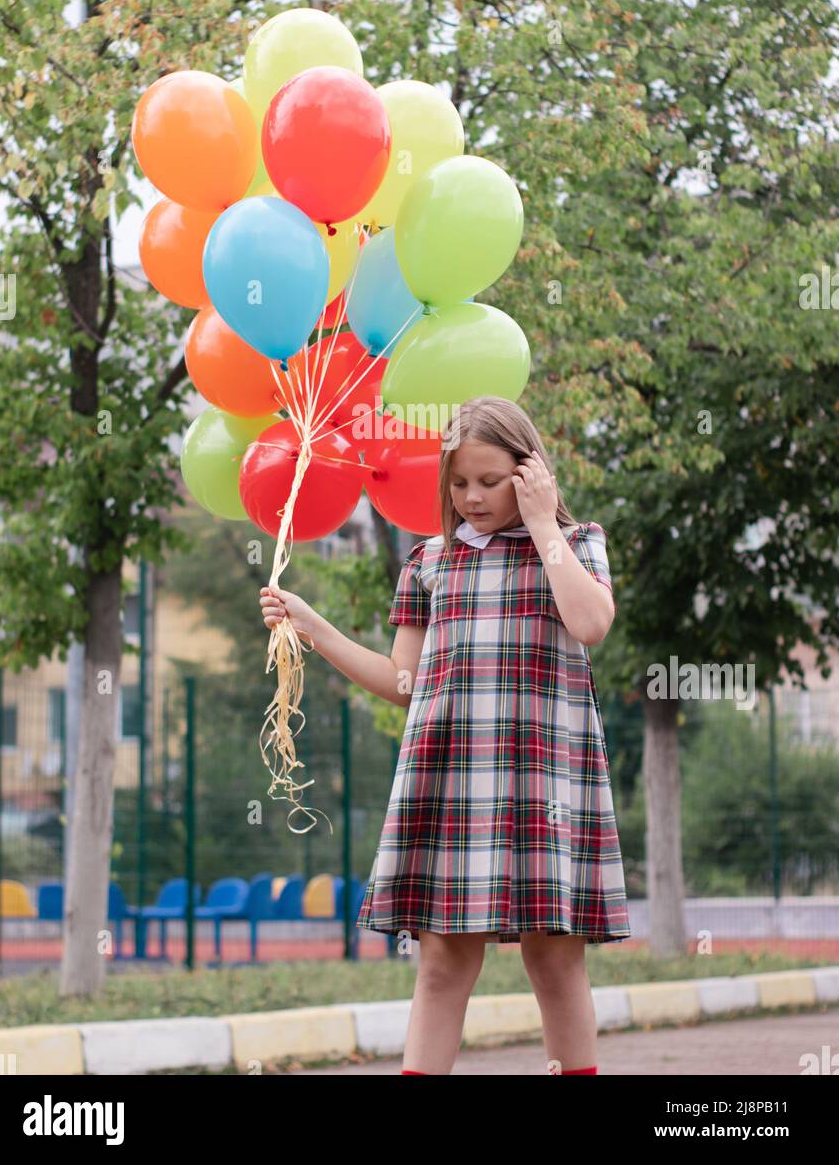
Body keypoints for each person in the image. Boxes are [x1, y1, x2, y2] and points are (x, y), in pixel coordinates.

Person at [260, 395, 631, 1075]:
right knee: (439, 963)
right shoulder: (431, 562)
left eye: (490, 481)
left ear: (530, 473)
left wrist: (546, 523)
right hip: (453, 784)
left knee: (553, 958)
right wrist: (314, 627)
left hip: (546, 783)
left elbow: (591, 624)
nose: (472, 497)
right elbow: (403, 684)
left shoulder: (576, 546)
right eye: (459, 483)